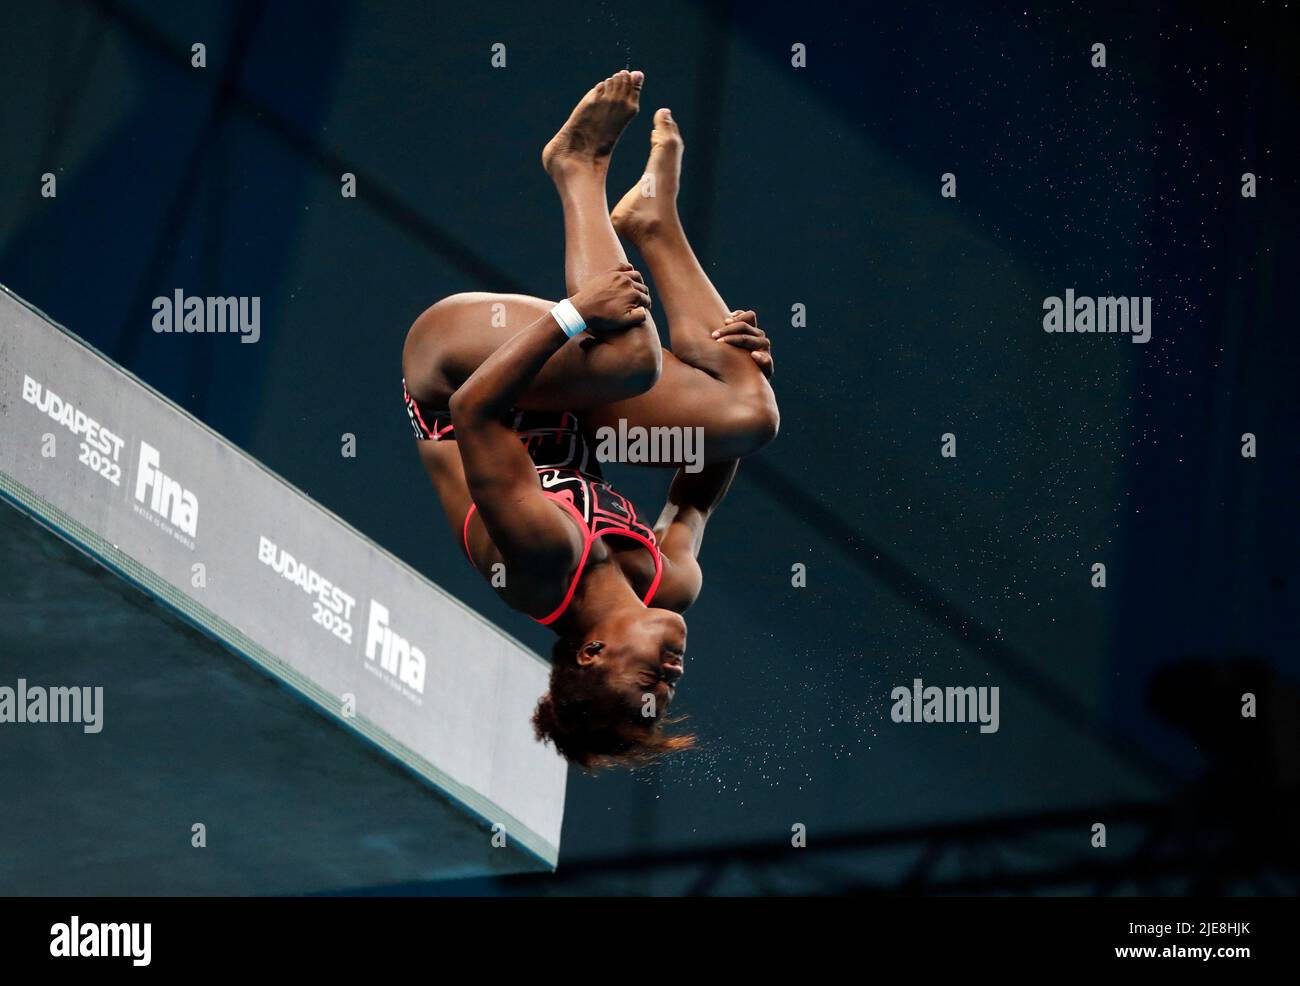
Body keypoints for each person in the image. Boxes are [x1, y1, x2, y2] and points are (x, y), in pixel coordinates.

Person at [402, 70, 778, 767]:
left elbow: (473, 409)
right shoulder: (670, 583)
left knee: (630, 357)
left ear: (593, 650)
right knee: (750, 416)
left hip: (455, 367)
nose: (671, 679)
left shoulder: (542, 564)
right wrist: (743, 369)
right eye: (669, 693)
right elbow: (701, 476)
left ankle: (578, 167)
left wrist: (576, 315)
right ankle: (652, 225)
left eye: (648, 683)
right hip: (569, 402)